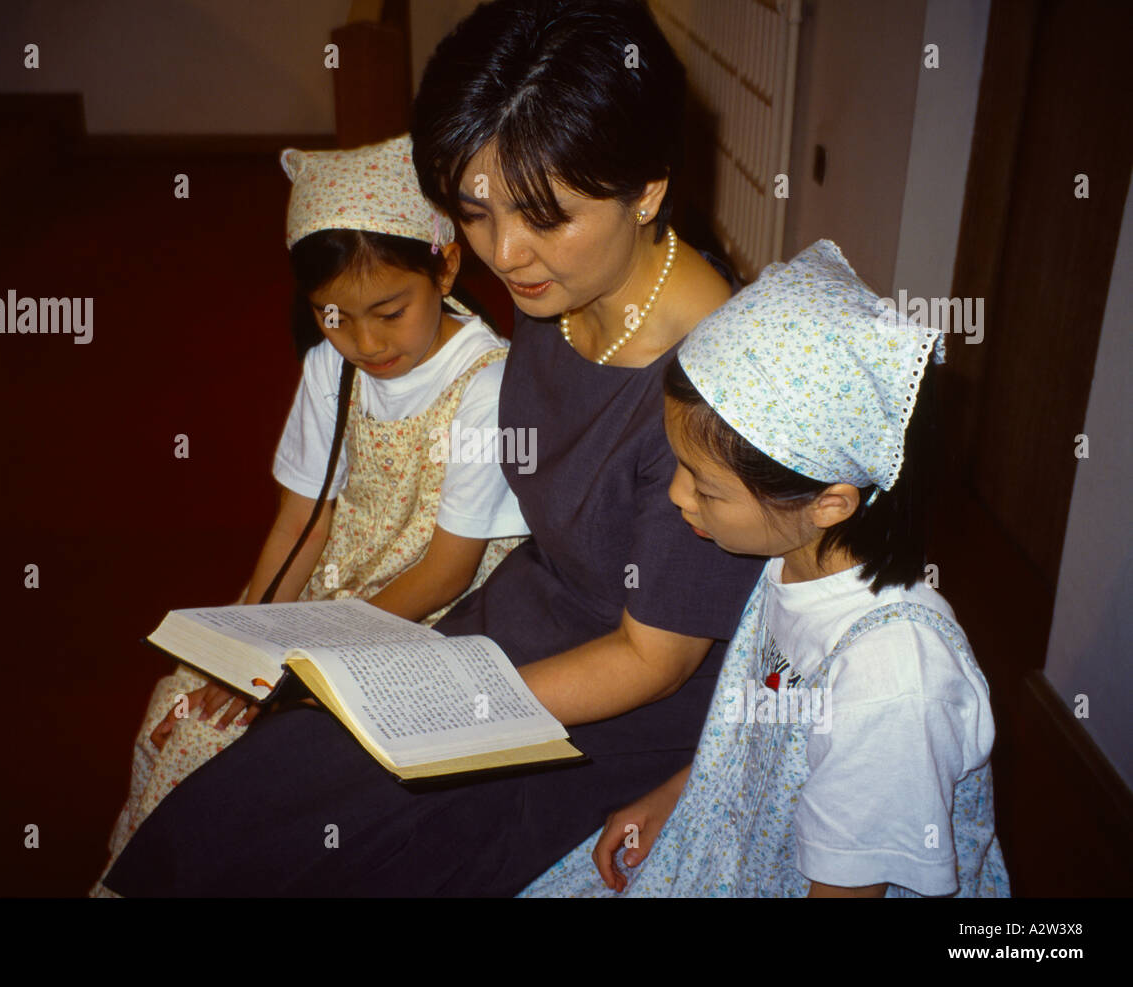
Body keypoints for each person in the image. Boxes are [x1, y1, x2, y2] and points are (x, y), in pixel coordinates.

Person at [100, 0, 764, 897]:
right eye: (477, 213)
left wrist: (444, 704)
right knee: (254, 796)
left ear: (647, 187)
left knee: (359, 849)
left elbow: (656, 660)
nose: (506, 254)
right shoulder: (567, 286)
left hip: (615, 700)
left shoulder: (715, 386)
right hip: (518, 624)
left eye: (543, 216)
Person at [90, 134, 527, 896]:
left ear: (446, 264)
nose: (363, 342)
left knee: (232, 749)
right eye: (334, 316)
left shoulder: (487, 386)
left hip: (435, 626)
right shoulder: (332, 366)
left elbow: (447, 570)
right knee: (181, 701)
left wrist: (294, 668)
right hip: (342, 609)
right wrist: (239, 646)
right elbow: (300, 525)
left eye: (389, 311)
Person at [522, 240, 1011, 897]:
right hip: (737, 838)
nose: (675, 497)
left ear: (828, 501)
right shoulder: (789, 556)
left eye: (705, 486)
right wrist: (676, 794)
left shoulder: (892, 682)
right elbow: (757, 728)